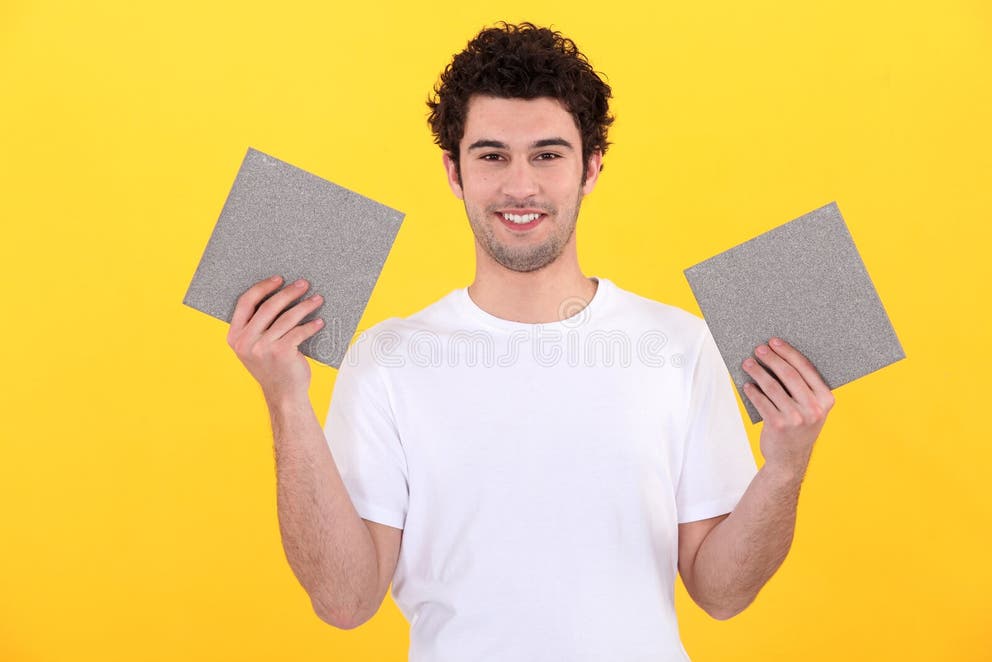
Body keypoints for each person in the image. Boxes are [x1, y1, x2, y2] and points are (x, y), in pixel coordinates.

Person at [227, 22, 835, 662]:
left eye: (547, 155)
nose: (520, 187)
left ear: (591, 167)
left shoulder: (679, 346)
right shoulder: (386, 359)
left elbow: (722, 594)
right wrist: (287, 400)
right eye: (492, 156)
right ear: (454, 172)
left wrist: (787, 464)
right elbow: (345, 603)